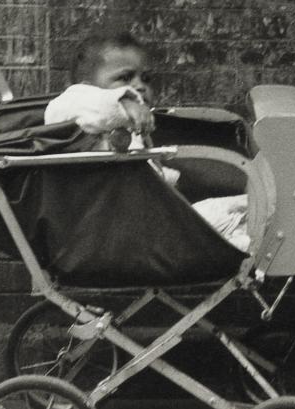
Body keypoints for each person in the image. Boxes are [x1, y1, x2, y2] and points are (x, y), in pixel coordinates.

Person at [45, 32, 250, 250]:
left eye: (146, 79)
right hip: (122, 237)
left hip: (151, 225)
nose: (139, 86)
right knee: (253, 229)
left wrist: (178, 178)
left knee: (256, 208)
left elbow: (146, 175)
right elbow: (66, 104)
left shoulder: (126, 130)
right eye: (125, 78)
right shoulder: (79, 114)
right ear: (88, 87)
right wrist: (123, 102)